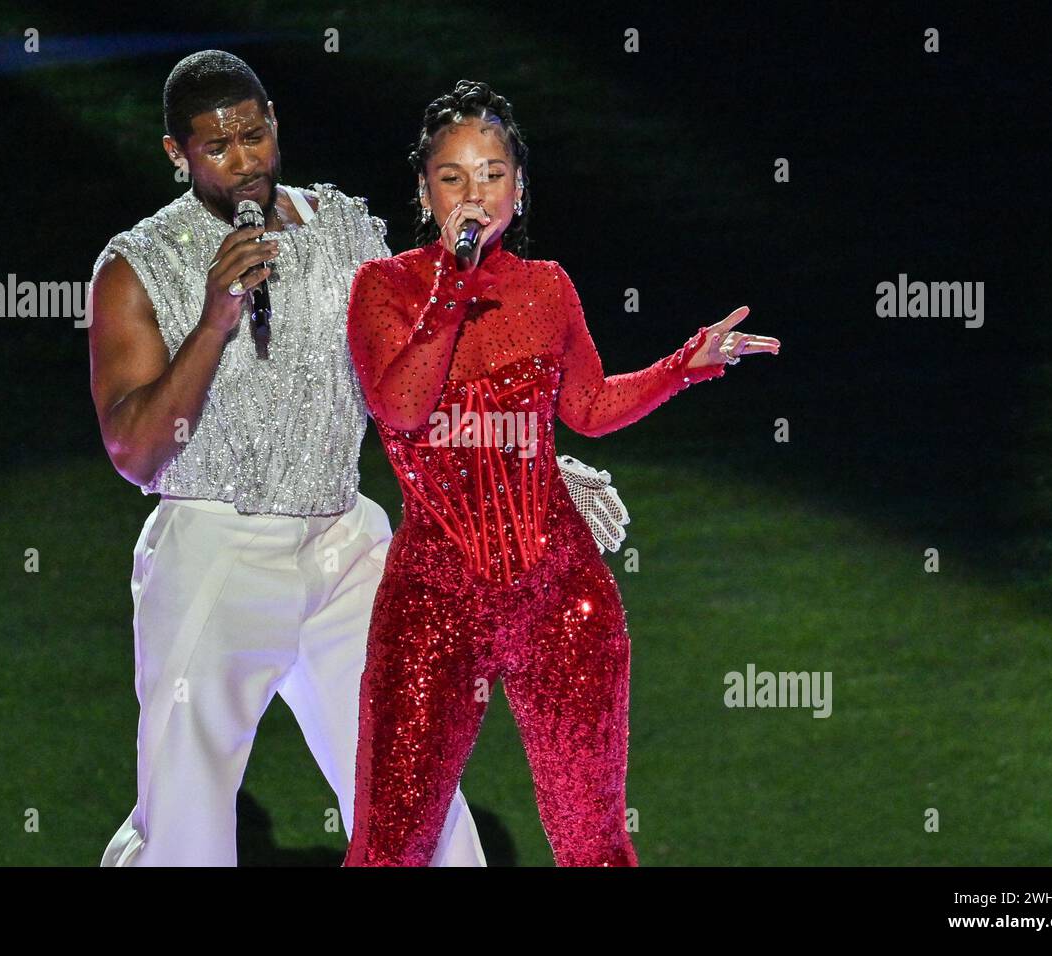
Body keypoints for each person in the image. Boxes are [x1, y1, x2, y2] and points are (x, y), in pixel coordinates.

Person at [343, 80, 779, 866]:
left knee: (593, 842)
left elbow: (587, 406)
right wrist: (453, 281)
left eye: (492, 173)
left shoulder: (547, 289)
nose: (474, 193)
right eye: (453, 176)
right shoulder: (386, 288)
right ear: (422, 188)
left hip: (559, 596)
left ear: (520, 185)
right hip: (433, 600)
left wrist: (686, 365)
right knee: (390, 845)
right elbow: (402, 409)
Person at [86, 50, 487, 866]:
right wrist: (214, 320)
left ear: (275, 122)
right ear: (177, 155)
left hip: (346, 542)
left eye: (255, 135)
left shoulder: (344, 227)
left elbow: (407, 375)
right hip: (216, 550)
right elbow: (133, 451)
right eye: (216, 147)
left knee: (416, 783)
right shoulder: (136, 266)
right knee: (187, 819)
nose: (244, 162)